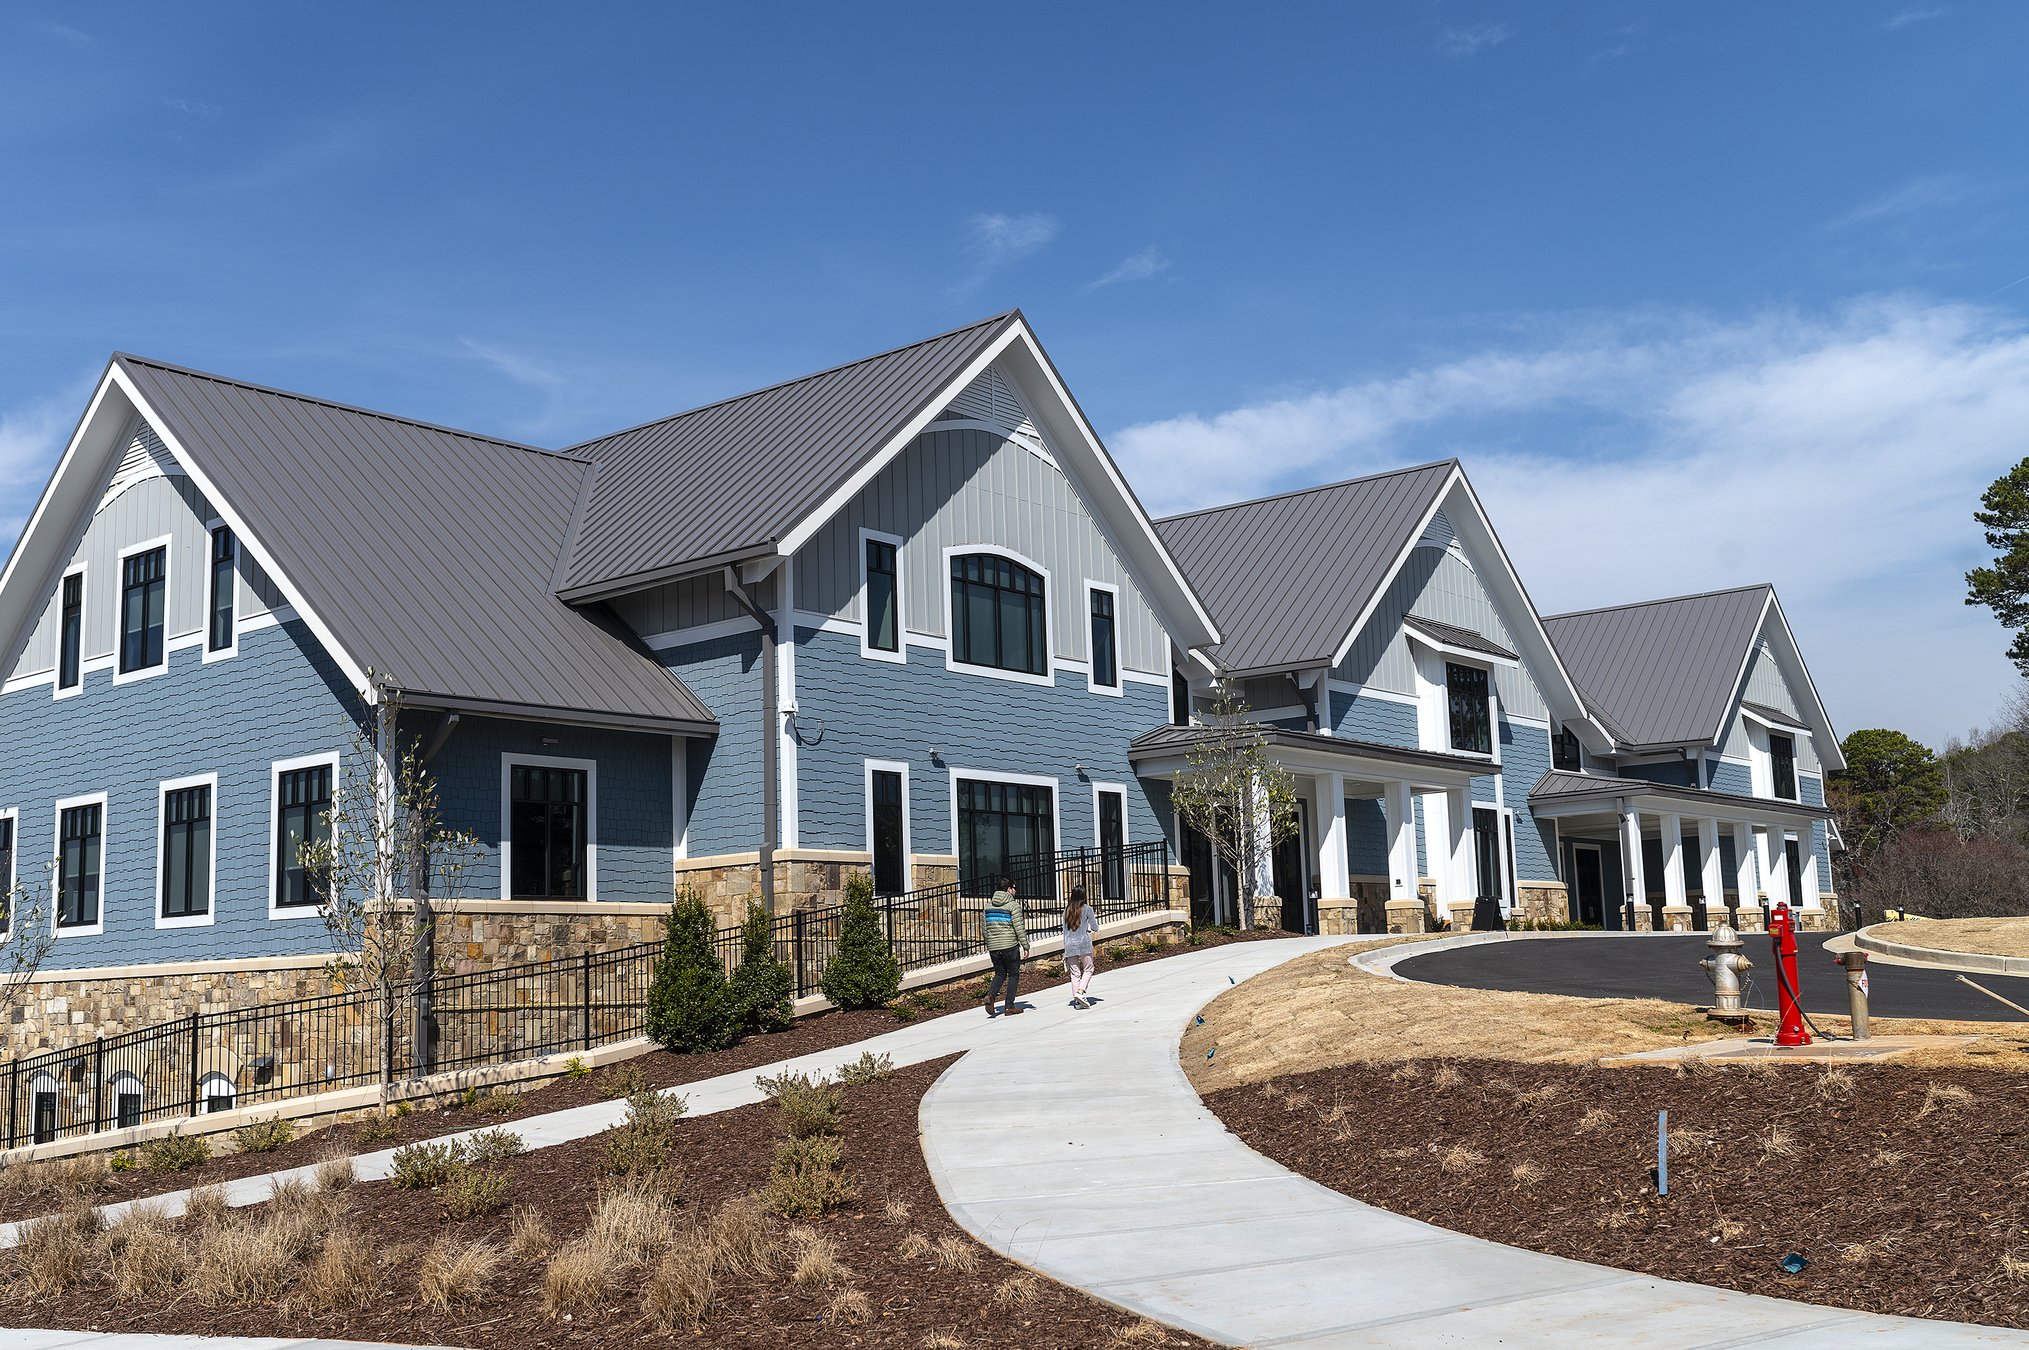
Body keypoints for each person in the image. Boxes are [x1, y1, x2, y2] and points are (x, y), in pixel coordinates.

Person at [982, 875, 1030, 1017]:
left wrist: (990, 942)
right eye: (1014, 888)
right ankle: (1009, 1006)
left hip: (994, 947)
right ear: (1009, 889)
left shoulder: (988, 907)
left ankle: (990, 996)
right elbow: (1019, 928)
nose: (1015, 891)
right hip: (1009, 945)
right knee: (1013, 974)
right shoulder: (1013, 906)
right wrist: (1025, 945)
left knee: (1000, 973)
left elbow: (985, 929)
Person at [1062, 884, 1099, 1009]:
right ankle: (1080, 992)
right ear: (1084, 896)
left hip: (1069, 944)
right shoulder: (1087, 909)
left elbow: (1064, 931)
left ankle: (1077, 1001)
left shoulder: (1067, 910)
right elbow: (1095, 927)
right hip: (1083, 943)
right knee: (1089, 969)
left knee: (1075, 973)